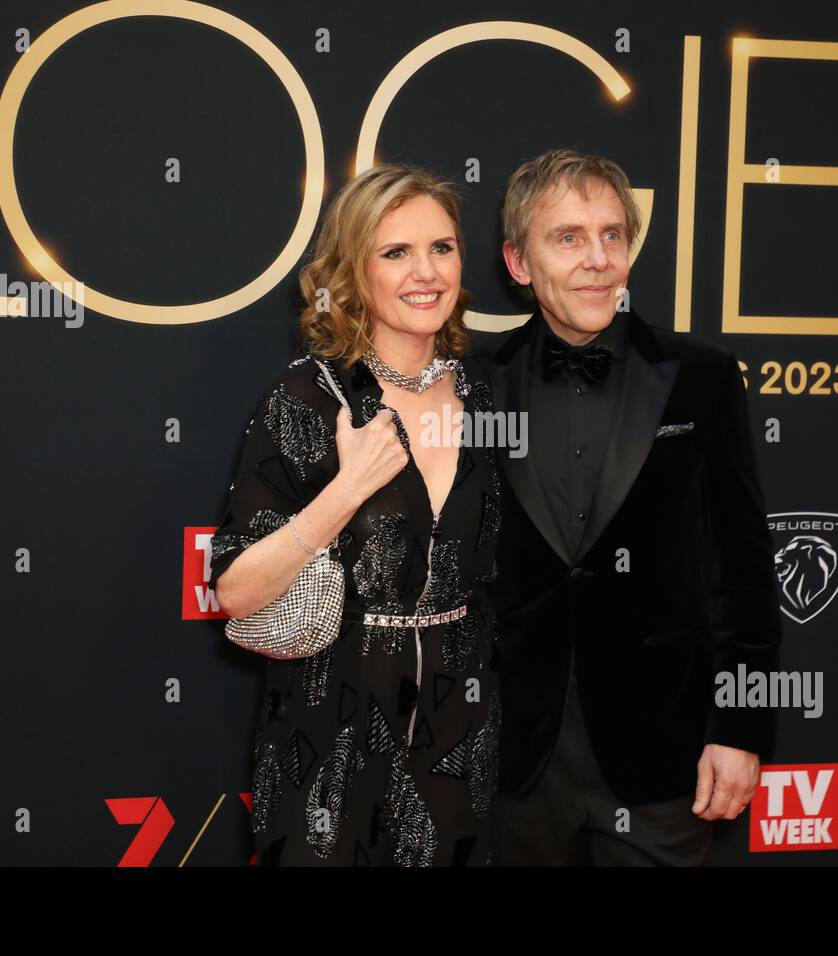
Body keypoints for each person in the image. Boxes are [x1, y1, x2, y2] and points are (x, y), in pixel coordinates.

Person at [471, 148, 783, 865]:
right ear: (519, 262)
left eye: (613, 235)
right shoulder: (471, 385)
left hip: (662, 757)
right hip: (511, 758)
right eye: (569, 237)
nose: (599, 259)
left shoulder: (700, 377)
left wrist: (742, 729)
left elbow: (743, 571)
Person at [210, 164, 502, 866]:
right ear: (350, 273)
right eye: (395, 252)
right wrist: (345, 491)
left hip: (461, 730)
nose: (425, 272)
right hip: (327, 728)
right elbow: (236, 593)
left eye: (442, 247)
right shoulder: (308, 402)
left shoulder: (491, 400)